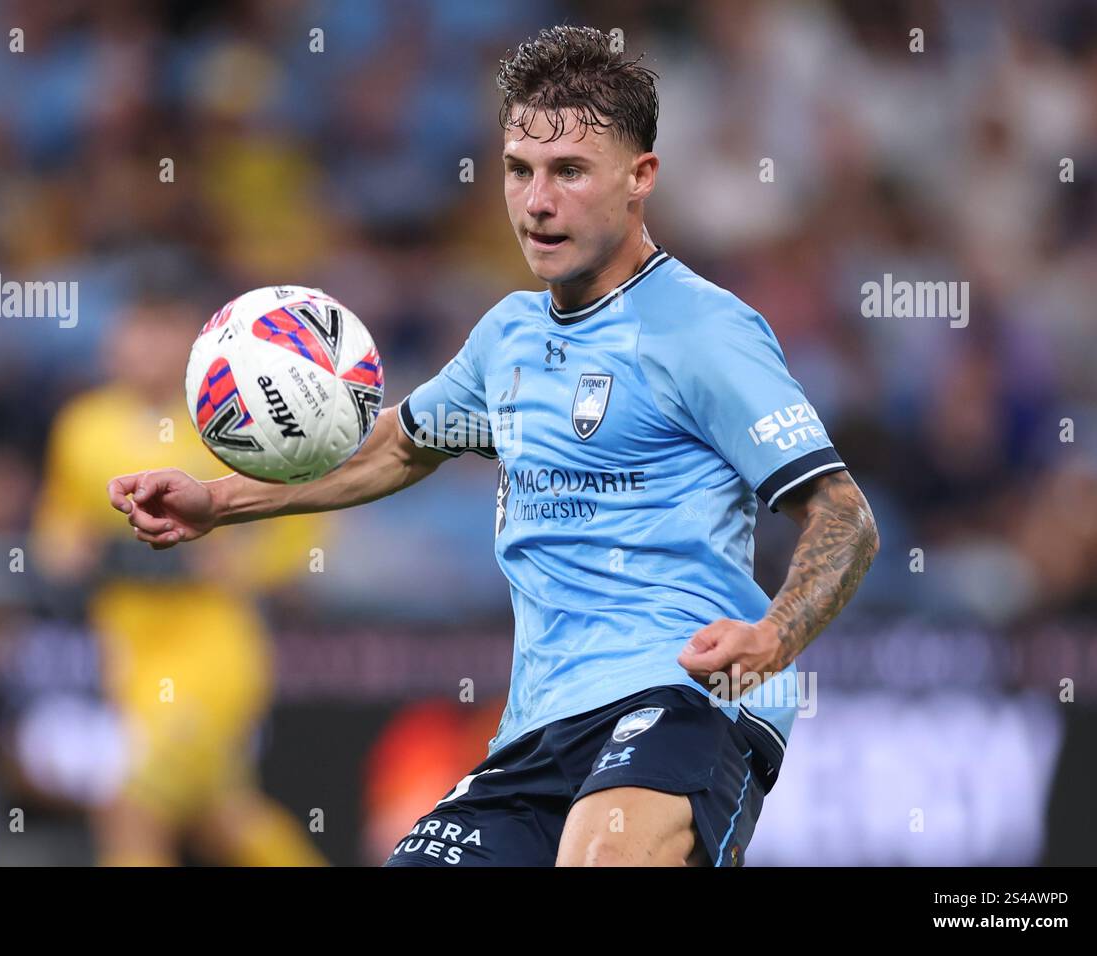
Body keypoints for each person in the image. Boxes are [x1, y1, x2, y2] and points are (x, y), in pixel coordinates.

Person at [107, 26, 878, 867]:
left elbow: (844, 515)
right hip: (539, 728)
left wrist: (773, 637)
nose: (537, 201)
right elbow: (400, 446)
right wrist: (219, 500)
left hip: (680, 696)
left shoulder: (704, 329)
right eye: (520, 170)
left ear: (640, 179)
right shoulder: (506, 337)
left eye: (570, 172)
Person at [36, 294, 326, 866]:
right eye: (132, 332)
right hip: (130, 657)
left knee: (132, 806)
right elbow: (56, 534)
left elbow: (304, 519)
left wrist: (243, 563)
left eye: (158, 332)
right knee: (224, 821)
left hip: (211, 648)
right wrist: (70, 552)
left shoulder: (230, 419)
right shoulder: (82, 425)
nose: (141, 348)